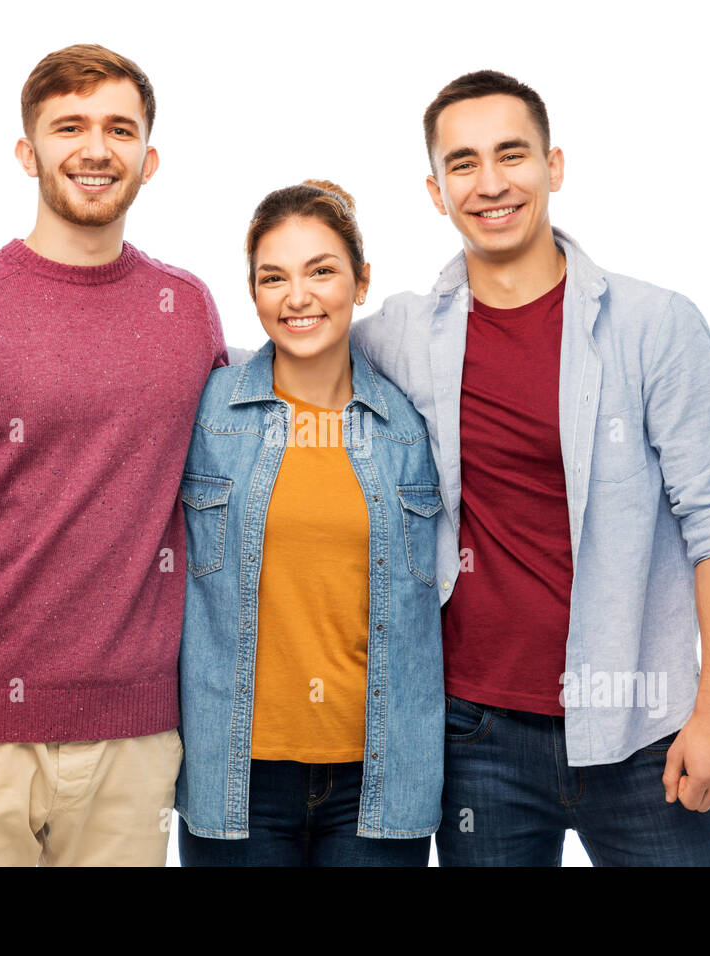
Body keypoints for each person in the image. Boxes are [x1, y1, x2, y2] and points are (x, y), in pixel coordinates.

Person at [350, 70, 710, 866]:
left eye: (513, 155)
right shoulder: (402, 336)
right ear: (436, 191)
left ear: (555, 166)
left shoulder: (654, 326)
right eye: (463, 163)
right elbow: (302, 350)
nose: (491, 182)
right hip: (478, 736)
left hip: (646, 730)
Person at [0, 43, 227, 866]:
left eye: (118, 129)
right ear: (28, 152)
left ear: (149, 157)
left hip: (137, 744)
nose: (96, 149)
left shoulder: (188, 310)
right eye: (70, 127)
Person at [175, 180, 445, 866]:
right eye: (274, 277)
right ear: (254, 292)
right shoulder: (207, 411)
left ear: (362, 283)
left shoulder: (414, 426)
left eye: (321, 270)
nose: (298, 297)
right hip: (237, 778)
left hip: (379, 783)